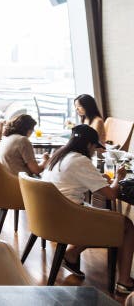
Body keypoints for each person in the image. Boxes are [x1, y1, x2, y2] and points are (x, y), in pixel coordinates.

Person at [41, 124, 134, 293]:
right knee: (126, 226)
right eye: (94, 147)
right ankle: (124, 282)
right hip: (68, 219)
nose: (94, 151)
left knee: (105, 218)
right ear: (89, 144)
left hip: (49, 216)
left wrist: (98, 178)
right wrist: (118, 177)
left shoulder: (59, 155)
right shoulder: (80, 161)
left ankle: (71, 254)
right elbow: (111, 195)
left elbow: (75, 180)